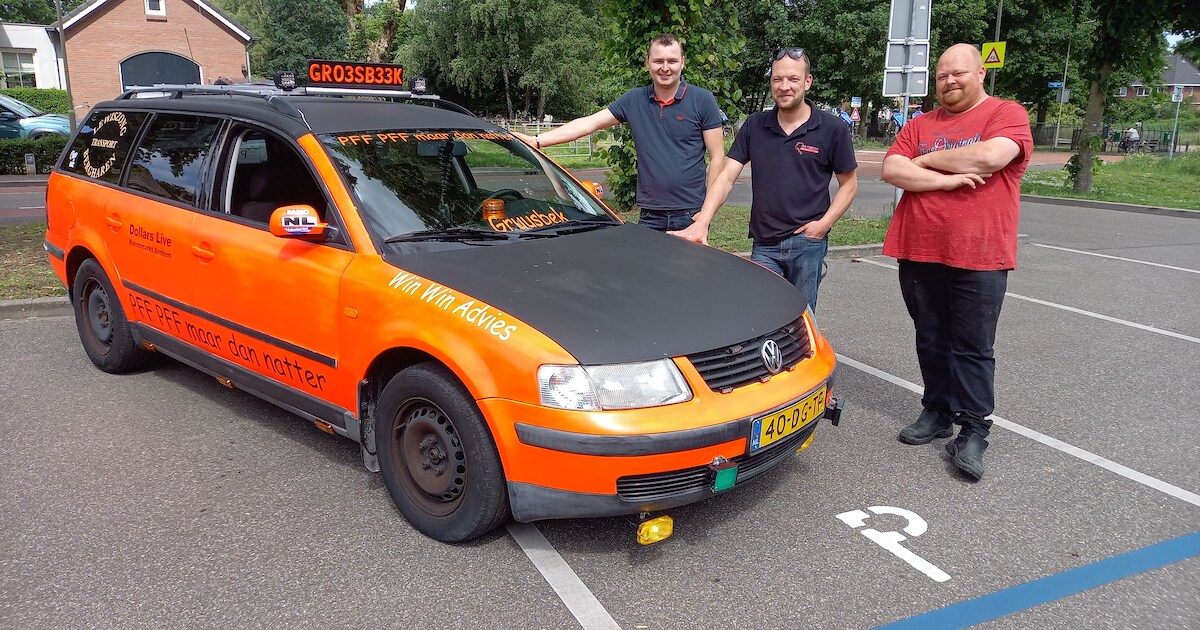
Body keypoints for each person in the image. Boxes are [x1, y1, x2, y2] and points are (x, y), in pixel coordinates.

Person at [880, 43, 1033, 481]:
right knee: (930, 337)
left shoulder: (1006, 114)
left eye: (958, 73)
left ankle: (973, 429)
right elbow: (892, 170)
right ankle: (937, 411)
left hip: (980, 254)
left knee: (972, 346)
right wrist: (945, 184)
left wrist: (924, 161)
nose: (949, 81)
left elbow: (990, 156)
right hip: (919, 248)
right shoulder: (920, 122)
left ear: (980, 73)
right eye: (942, 75)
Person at [670, 48, 858, 310]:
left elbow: (849, 184)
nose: (784, 86)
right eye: (777, 79)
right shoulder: (755, 125)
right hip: (764, 244)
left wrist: (823, 225)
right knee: (762, 314)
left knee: (802, 317)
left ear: (807, 81)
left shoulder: (832, 129)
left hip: (808, 243)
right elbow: (726, 177)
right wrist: (703, 221)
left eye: (793, 79)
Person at [512, 34, 725, 232]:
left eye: (672, 61)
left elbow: (717, 158)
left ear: (682, 62)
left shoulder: (702, 100)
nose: (665, 68)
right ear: (647, 63)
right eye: (658, 61)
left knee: (690, 273)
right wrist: (536, 141)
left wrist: (706, 213)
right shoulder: (634, 100)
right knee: (647, 273)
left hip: (690, 213)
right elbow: (588, 123)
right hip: (650, 214)